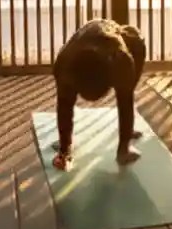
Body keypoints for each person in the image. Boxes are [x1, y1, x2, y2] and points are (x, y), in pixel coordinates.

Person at [51, 19, 147, 169]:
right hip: (84, 45)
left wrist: (124, 148)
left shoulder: (121, 60)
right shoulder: (64, 65)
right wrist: (64, 151)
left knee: (126, 91)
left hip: (114, 39)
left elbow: (125, 104)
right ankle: (66, 143)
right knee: (65, 100)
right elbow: (64, 107)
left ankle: (125, 144)